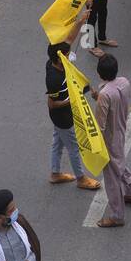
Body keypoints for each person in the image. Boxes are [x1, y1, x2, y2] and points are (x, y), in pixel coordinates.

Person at [93, 53, 131, 229]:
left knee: (112, 176)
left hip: (109, 139)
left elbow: (100, 124)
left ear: (99, 73)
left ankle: (117, 215)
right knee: (120, 163)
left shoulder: (105, 95)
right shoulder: (124, 83)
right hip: (121, 130)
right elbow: (116, 100)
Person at [44, 42, 101, 189]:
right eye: (67, 54)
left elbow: (75, 78)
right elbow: (51, 104)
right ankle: (81, 179)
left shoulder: (57, 64)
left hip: (63, 116)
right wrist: (72, 100)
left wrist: (80, 22)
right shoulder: (54, 80)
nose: (70, 56)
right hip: (62, 118)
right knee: (74, 147)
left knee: (57, 143)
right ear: (59, 58)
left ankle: (55, 174)